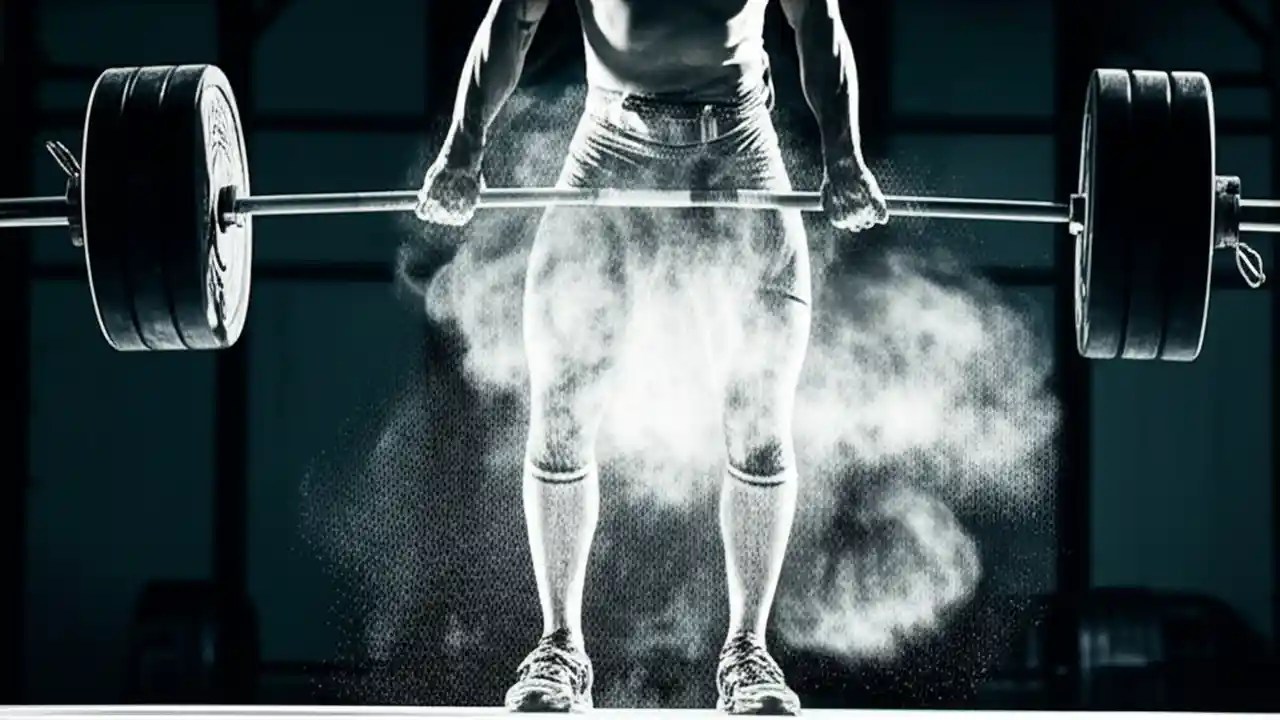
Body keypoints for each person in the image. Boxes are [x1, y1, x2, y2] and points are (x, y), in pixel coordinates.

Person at [416, 0, 888, 713]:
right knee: (564, 402)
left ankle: (747, 654)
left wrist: (843, 157)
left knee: (759, 412)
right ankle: (559, 649)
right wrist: (461, 152)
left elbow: (815, 22)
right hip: (611, 145)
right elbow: (513, 18)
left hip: (736, 150)